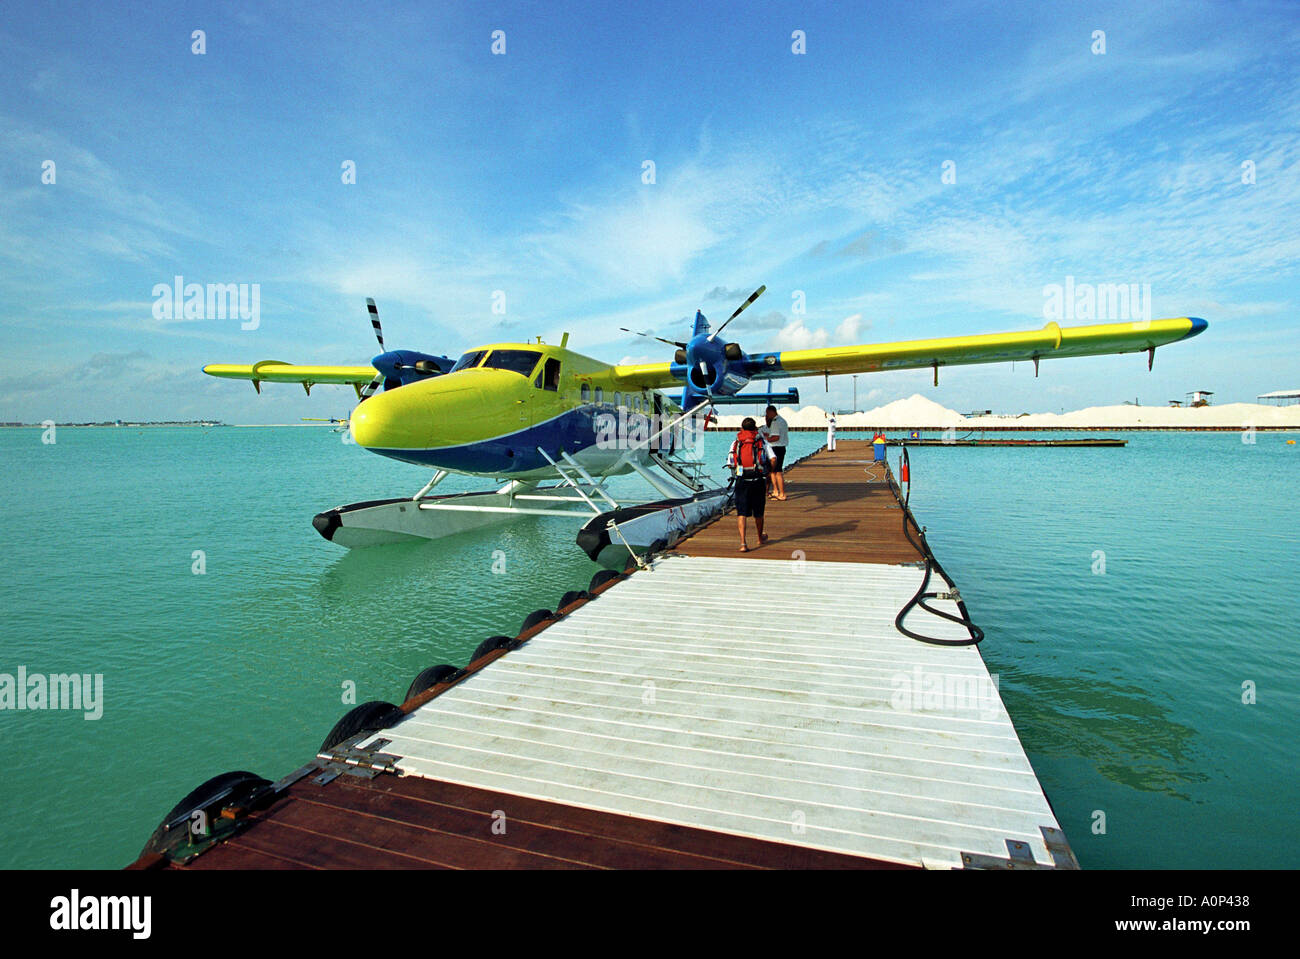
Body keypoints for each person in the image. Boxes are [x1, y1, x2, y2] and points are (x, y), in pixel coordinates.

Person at [726, 417, 773, 551]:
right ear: (755, 428)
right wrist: (769, 471)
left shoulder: (736, 443)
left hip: (742, 481)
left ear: (742, 429)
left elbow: (730, 463)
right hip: (758, 480)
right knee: (758, 512)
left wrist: (738, 471)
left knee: (741, 512)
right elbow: (773, 458)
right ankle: (759, 538)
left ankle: (743, 543)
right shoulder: (761, 442)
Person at [762, 405, 788, 500]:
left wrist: (766, 438)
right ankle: (776, 491)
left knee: (777, 471)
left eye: (767, 413)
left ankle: (782, 494)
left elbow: (776, 437)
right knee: (772, 471)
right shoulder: (782, 420)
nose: (767, 416)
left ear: (772, 412)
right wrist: (769, 435)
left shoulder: (775, 422)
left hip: (776, 448)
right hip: (781, 447)